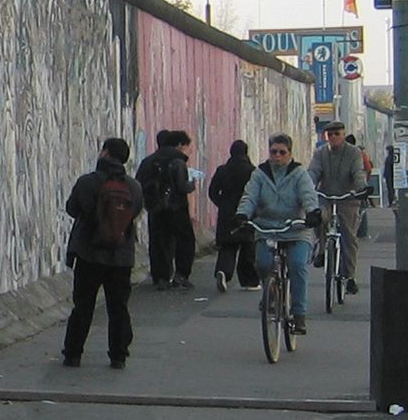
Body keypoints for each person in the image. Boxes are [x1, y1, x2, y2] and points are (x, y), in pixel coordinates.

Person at [60, 136, 141, 368]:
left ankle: (73, 353)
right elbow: (134, 212)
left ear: (105, 152)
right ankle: (118, 355)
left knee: (83, 305)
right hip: (121, 256)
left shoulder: (87, 182)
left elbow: (72, 208)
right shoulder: (133, 187)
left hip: (89, 253)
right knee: (118, 307)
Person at [238, 133, 319, 336]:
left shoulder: (299, 174)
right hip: (267, 227)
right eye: (273, 151)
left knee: (298, 265)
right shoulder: (260, 174)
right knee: (262, 263)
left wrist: (312, 213)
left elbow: (308, 195)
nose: (277, 156)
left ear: (290, 154)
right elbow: (250, 196)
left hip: (296, 228)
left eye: (282, 152)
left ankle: (299, 314)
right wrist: (242, 214)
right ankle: (271, 293)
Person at [309, 120, 369, 297]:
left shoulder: (353, 152)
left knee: (349, 236)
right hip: (326, 197)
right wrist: (307, 186)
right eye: (330, 134)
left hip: (348, 199)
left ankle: (349, 276)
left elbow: (358, 172)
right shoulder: (320, 153)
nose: (333, 137)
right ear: (325, 136)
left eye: (337, 134)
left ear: (343, 135)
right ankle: (321, 250)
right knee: (318, 217)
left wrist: (361, 189)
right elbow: (313, 172)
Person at [134, 129, 197, 290]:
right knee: (185, 240)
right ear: (178, 144)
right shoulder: (178, 161)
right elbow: (182, 186)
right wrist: (192, 185)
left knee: (159, 242)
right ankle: (181, 275)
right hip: (177, 207)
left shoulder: (148, 161)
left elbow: (138, 183)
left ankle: (161, 277)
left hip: (155, 208)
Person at [207, 137, 259, 292]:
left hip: (226, 213)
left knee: (228, 246)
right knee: (247, 248)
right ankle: (249, 281)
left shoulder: (222, 170)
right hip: (247, 213)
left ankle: (223, 272)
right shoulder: (252, 171)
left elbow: (212, 192)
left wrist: (222, 204)